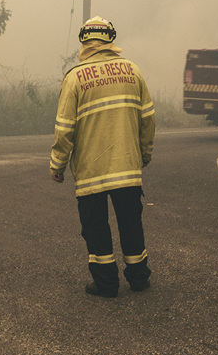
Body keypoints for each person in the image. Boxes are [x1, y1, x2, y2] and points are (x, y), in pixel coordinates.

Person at [50, 16, 156, 298]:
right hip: (127, 167)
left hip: (91, 171)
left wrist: (58, 164)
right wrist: (144, 153)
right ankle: (138, 278)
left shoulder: (74, 78)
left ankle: (106, 284)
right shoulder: (132, 71)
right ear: (111, 39)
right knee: (131, 223)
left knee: (95, 227)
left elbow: (64, 129)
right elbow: (148, 118)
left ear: (83, 42)